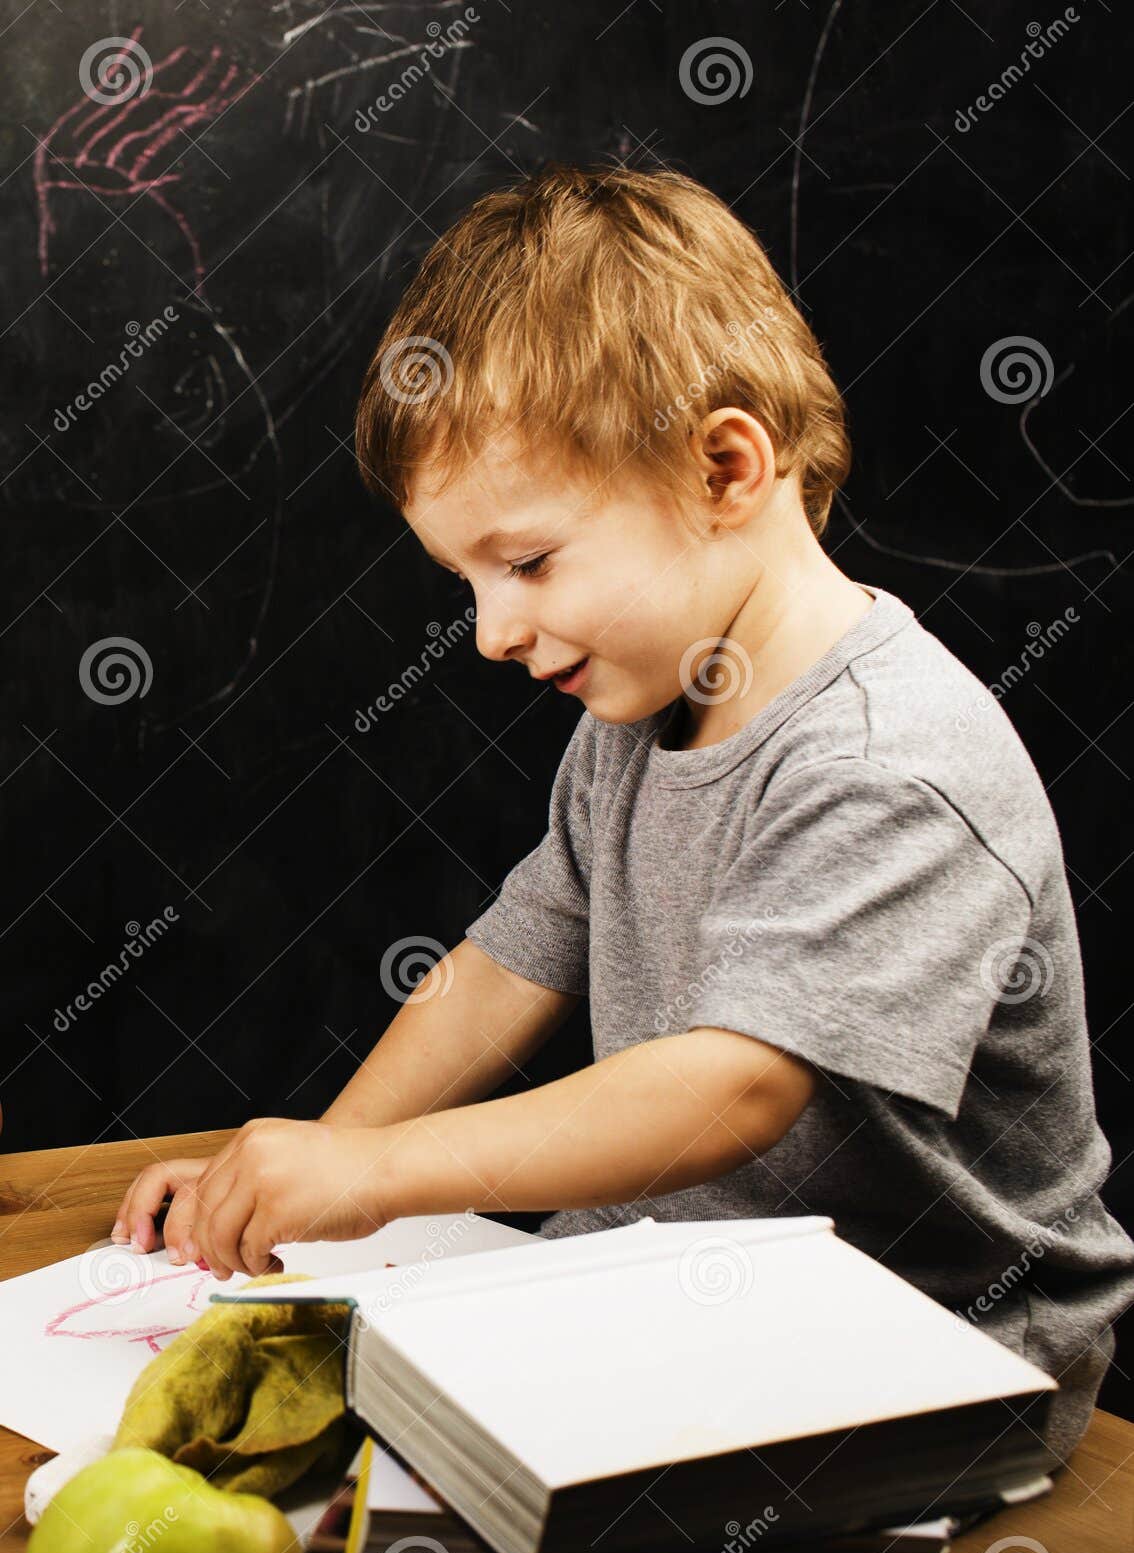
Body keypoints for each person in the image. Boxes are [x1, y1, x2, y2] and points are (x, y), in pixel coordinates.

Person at [113, 163, 1134, 1466]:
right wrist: (319, 1153)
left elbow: (734, 1085)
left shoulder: (893, 759)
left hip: (923, 1355)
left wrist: (379, 1177)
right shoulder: (631, 723)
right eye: (467, 580)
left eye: (527, 562)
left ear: (723, 467)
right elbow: (504, 962)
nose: (491, 631)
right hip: (680, 1289)